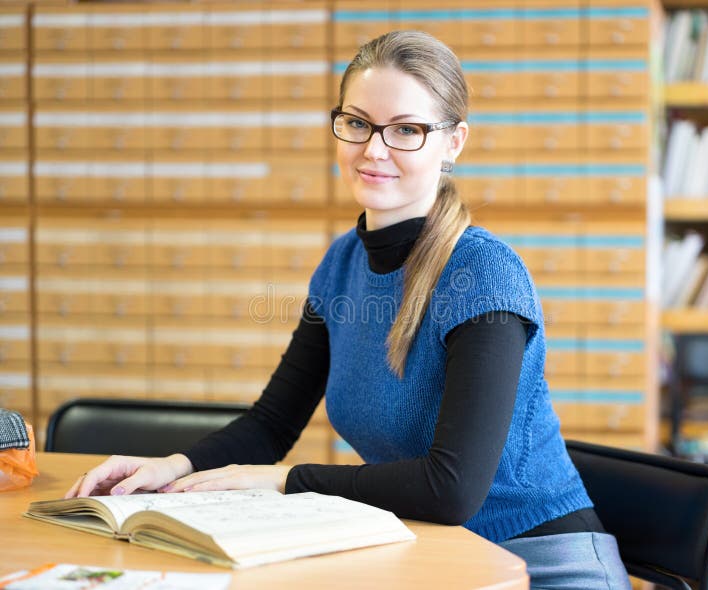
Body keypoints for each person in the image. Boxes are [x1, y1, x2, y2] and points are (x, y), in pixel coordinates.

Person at [66, 31, 631, 590]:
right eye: (358, 123)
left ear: (453, 142)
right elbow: (272, 423)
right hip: (433, 556)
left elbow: (451, 489)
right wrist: (172, 467)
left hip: (540, 562)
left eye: (406, 129)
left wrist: (286, 482)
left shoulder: (483, 273)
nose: (374, 150)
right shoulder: (342, 263)